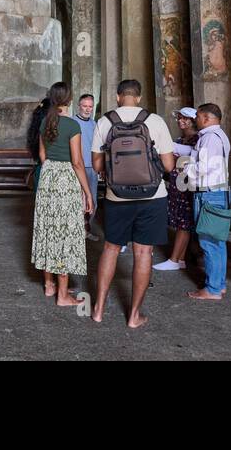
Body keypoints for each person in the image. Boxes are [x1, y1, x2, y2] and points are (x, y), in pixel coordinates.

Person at [90, 79, 177, 327]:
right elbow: (169, 166)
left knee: (110, 249)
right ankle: (134, 315)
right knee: (143, 252)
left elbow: (97, 166)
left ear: (118, 97)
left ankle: (97, 309)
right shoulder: (155, 121)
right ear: (138, 98)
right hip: (152, 197)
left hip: (116, 196)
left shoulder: (105, 121)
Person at [30, 81, 94, 305]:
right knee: (65, 231)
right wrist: (87, 193)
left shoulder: (45, 121)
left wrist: (51, 172)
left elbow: (42, 155)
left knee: (47, 228)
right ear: (68, 100)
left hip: (48, 178)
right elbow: (77, 162)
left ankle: (49, 285)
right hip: (66, 179)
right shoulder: (71, 125)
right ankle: (63, 295)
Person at [181, 102, 231, 301]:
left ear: (207, 118)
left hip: (209, 193)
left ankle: (212, 289)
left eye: (198, 117)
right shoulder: (217, 136)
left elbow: (205, 167)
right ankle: (219, 284)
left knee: (209, 242)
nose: (196, 120)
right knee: (217, 242)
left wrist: (186, 170)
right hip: (216, 192)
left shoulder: (210, 138)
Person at [154, 107, 199, 271]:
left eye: (184, 118)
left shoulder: (197, 140)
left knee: (184, 223)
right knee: (180, 221)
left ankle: (174, 259)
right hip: (176, 186)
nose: (180, 121)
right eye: (179, 118)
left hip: (187, 186)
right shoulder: (180, 140)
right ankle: (179, 259)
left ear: (193, 121)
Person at [73, 93, 101, 241]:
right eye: (84, 106)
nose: (87, 109)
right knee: (78, 201)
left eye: (90, 106)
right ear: (79, 106)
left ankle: (85, 229)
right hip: (76, 167)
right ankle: (76, 233)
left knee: (92, 202)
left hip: (92, 168)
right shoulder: (72, 122)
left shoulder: (94, 124)